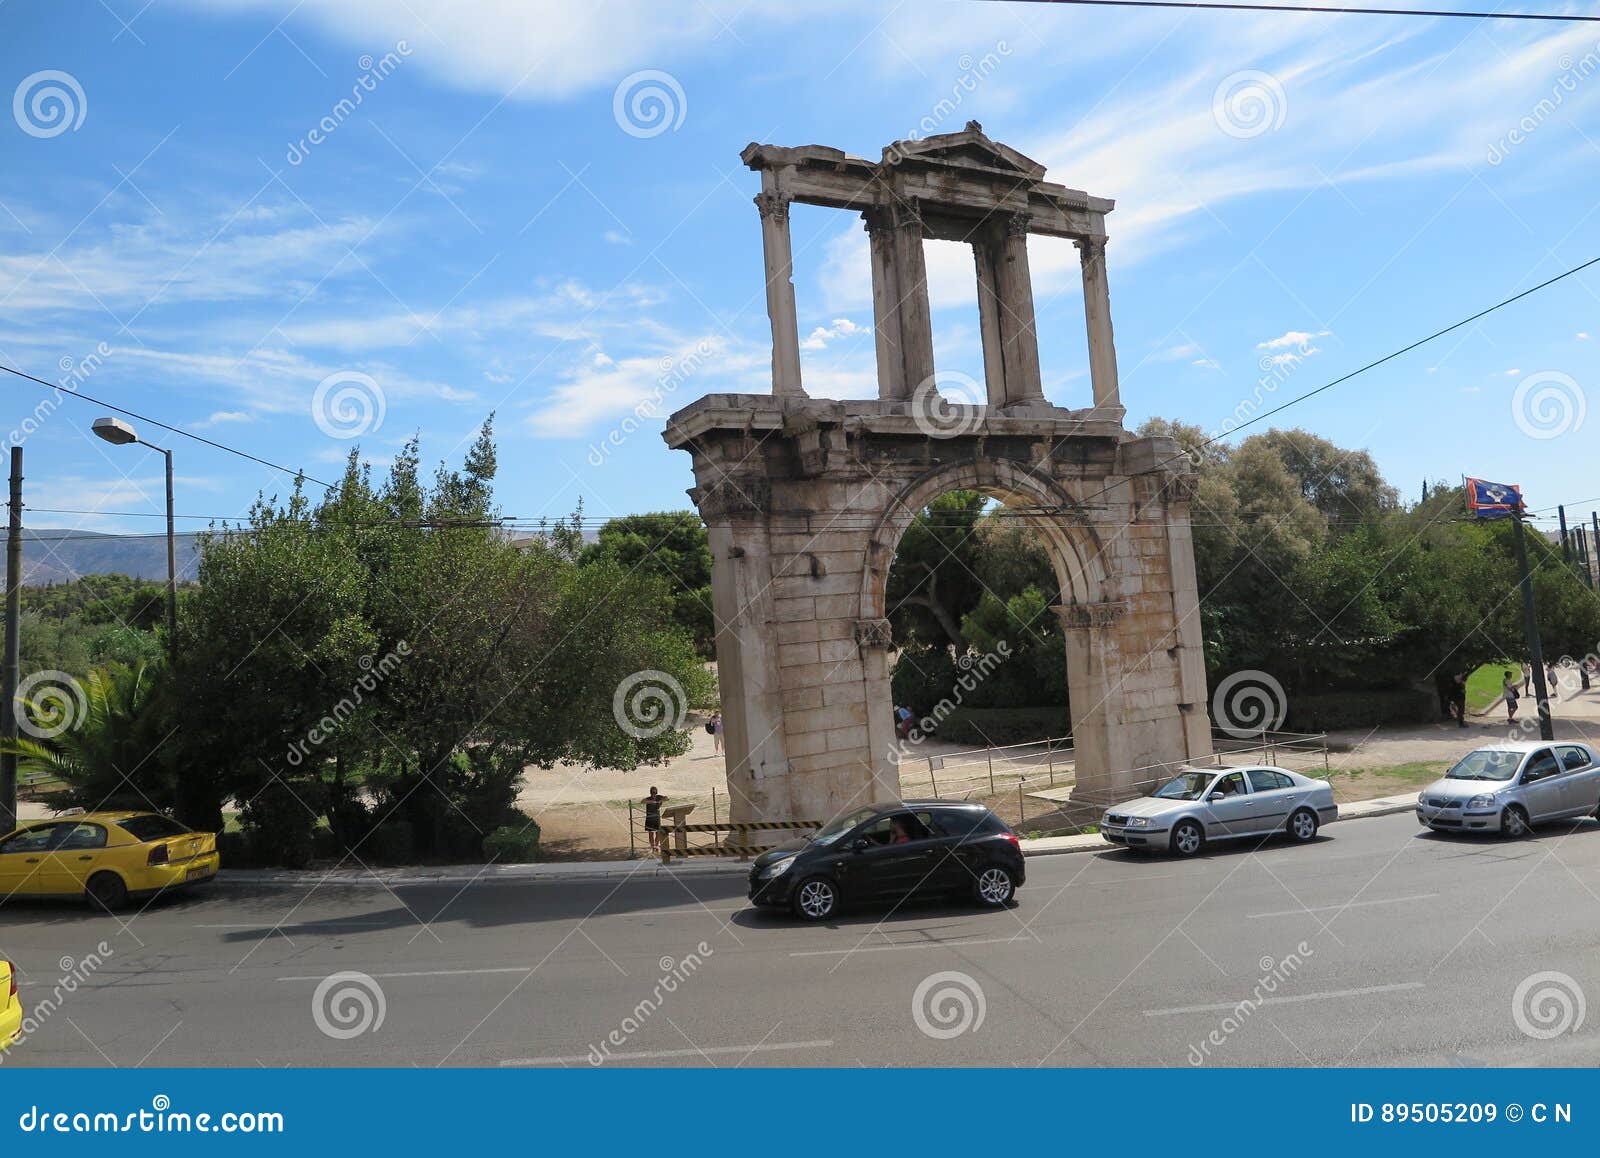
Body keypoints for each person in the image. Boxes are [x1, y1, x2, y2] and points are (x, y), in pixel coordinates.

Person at [641, 787, 667, 855]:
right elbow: (642, 801)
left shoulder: (658, 797)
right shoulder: (648, 798)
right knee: (651, 833)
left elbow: (666, 798)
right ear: (650, 793)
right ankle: (652, 847)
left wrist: (661, 801)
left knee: (658, 832)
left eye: (655, 792)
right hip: (649, 818)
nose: (654, 794)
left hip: (656, 818)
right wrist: (653, 802)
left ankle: (656, 845)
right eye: (652, 792)